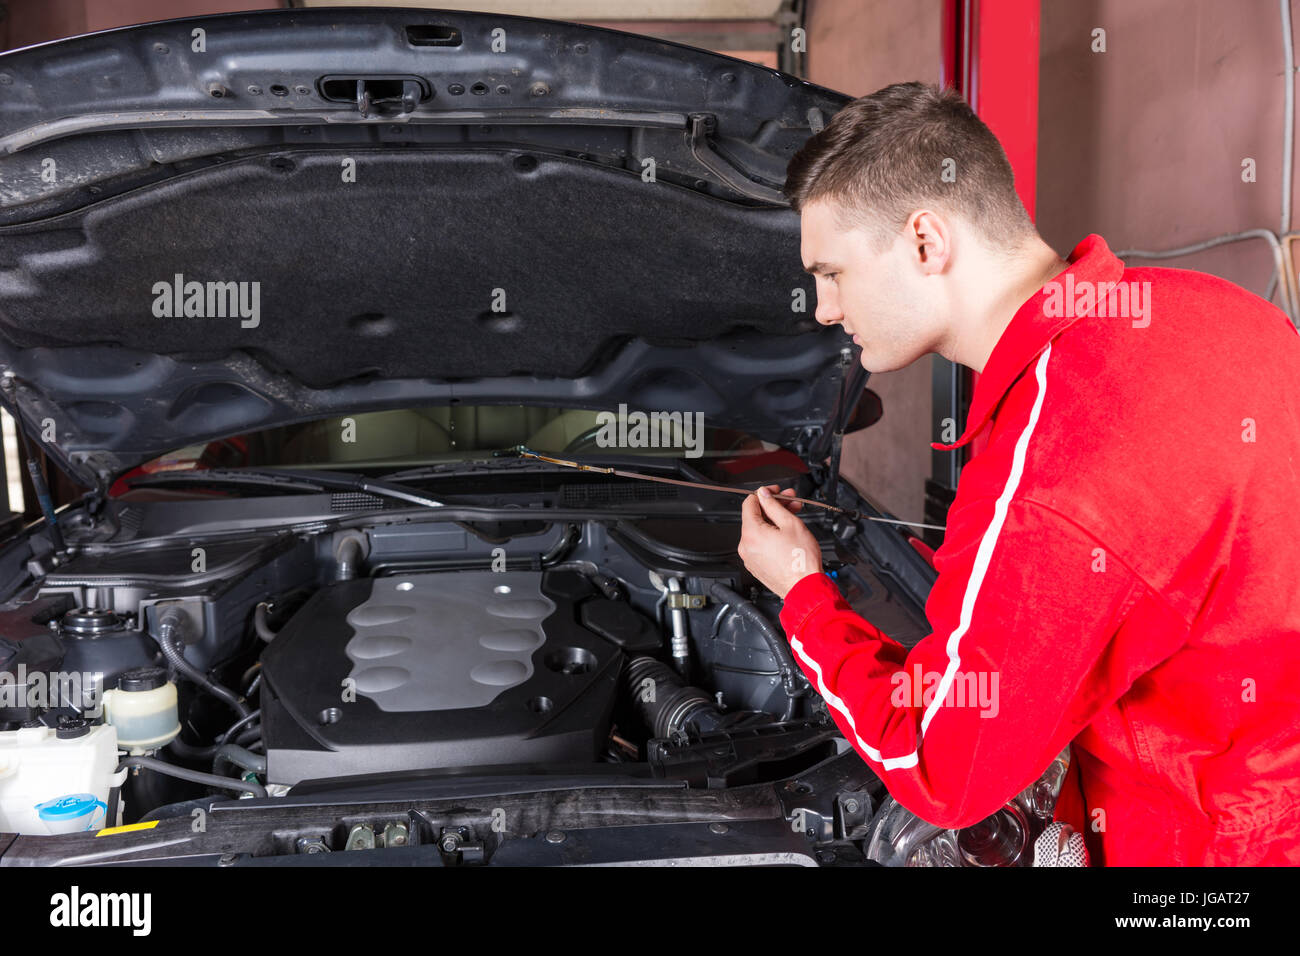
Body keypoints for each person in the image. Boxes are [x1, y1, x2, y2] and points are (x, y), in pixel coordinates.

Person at [737, 81, 1300, 866]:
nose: (826, 308)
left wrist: (803, 595)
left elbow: (943, 770)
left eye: (831, 272)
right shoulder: (1220, 310)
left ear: (925, 243)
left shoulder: (1050, 471)